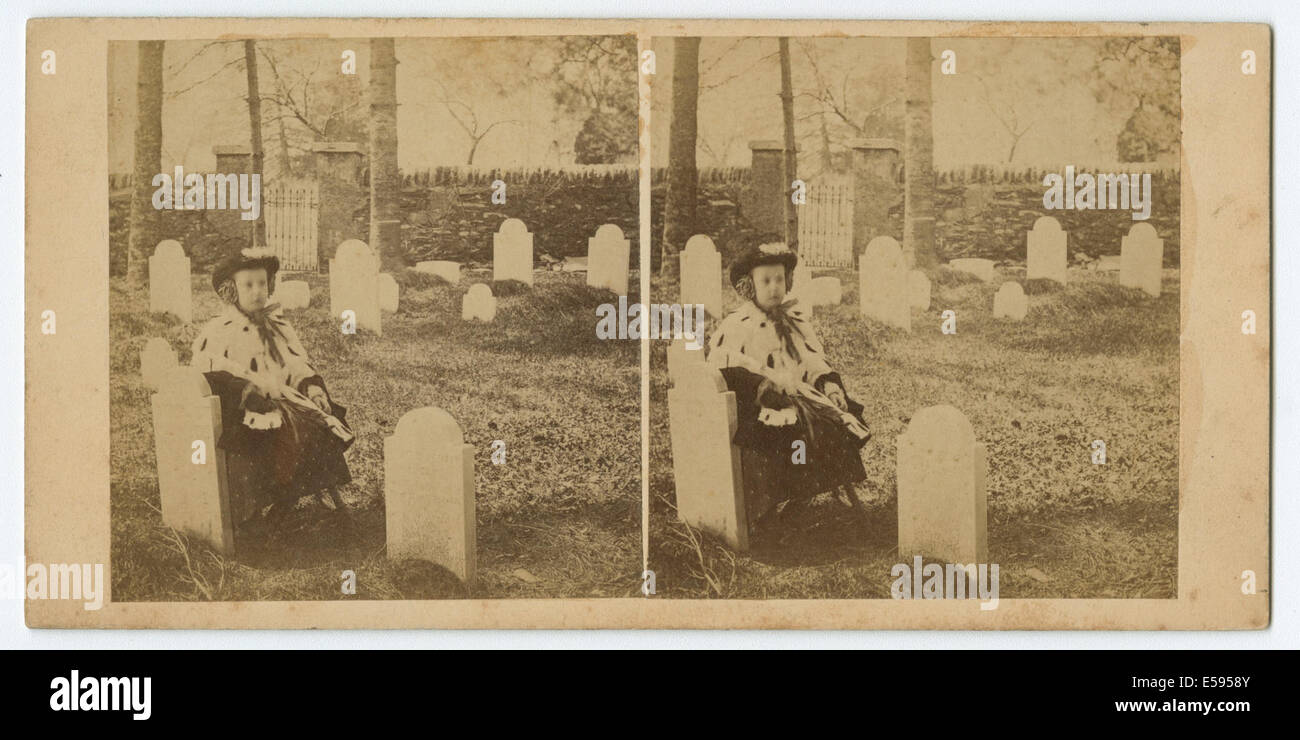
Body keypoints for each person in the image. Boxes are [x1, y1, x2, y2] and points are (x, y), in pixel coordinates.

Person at [705, 239, 871, 536]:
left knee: (832, 427)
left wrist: (828, 383)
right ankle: (767, 509)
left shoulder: (795, 320)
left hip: (802, 398)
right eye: (765, 281)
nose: (774, 288)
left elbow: (810, 359)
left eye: (779, 279)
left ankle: (802, 499)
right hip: (760, 404)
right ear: (749, 286)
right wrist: (765, 388)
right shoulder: (737, 325)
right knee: (789, 437)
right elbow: (726, 366)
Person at [191, 247, 354, 530]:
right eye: (248, 285)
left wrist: (311, 386)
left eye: (262, 283)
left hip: (285, 400)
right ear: (231, 291)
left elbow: (293, 363)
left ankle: (287, 499)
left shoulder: (278, 326)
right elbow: (210, 374)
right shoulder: (217, 332)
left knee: (317, 426)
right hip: (242, 409)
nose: (257, 292)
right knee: (280, 431)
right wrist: (248, 392)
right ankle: (261, 507)